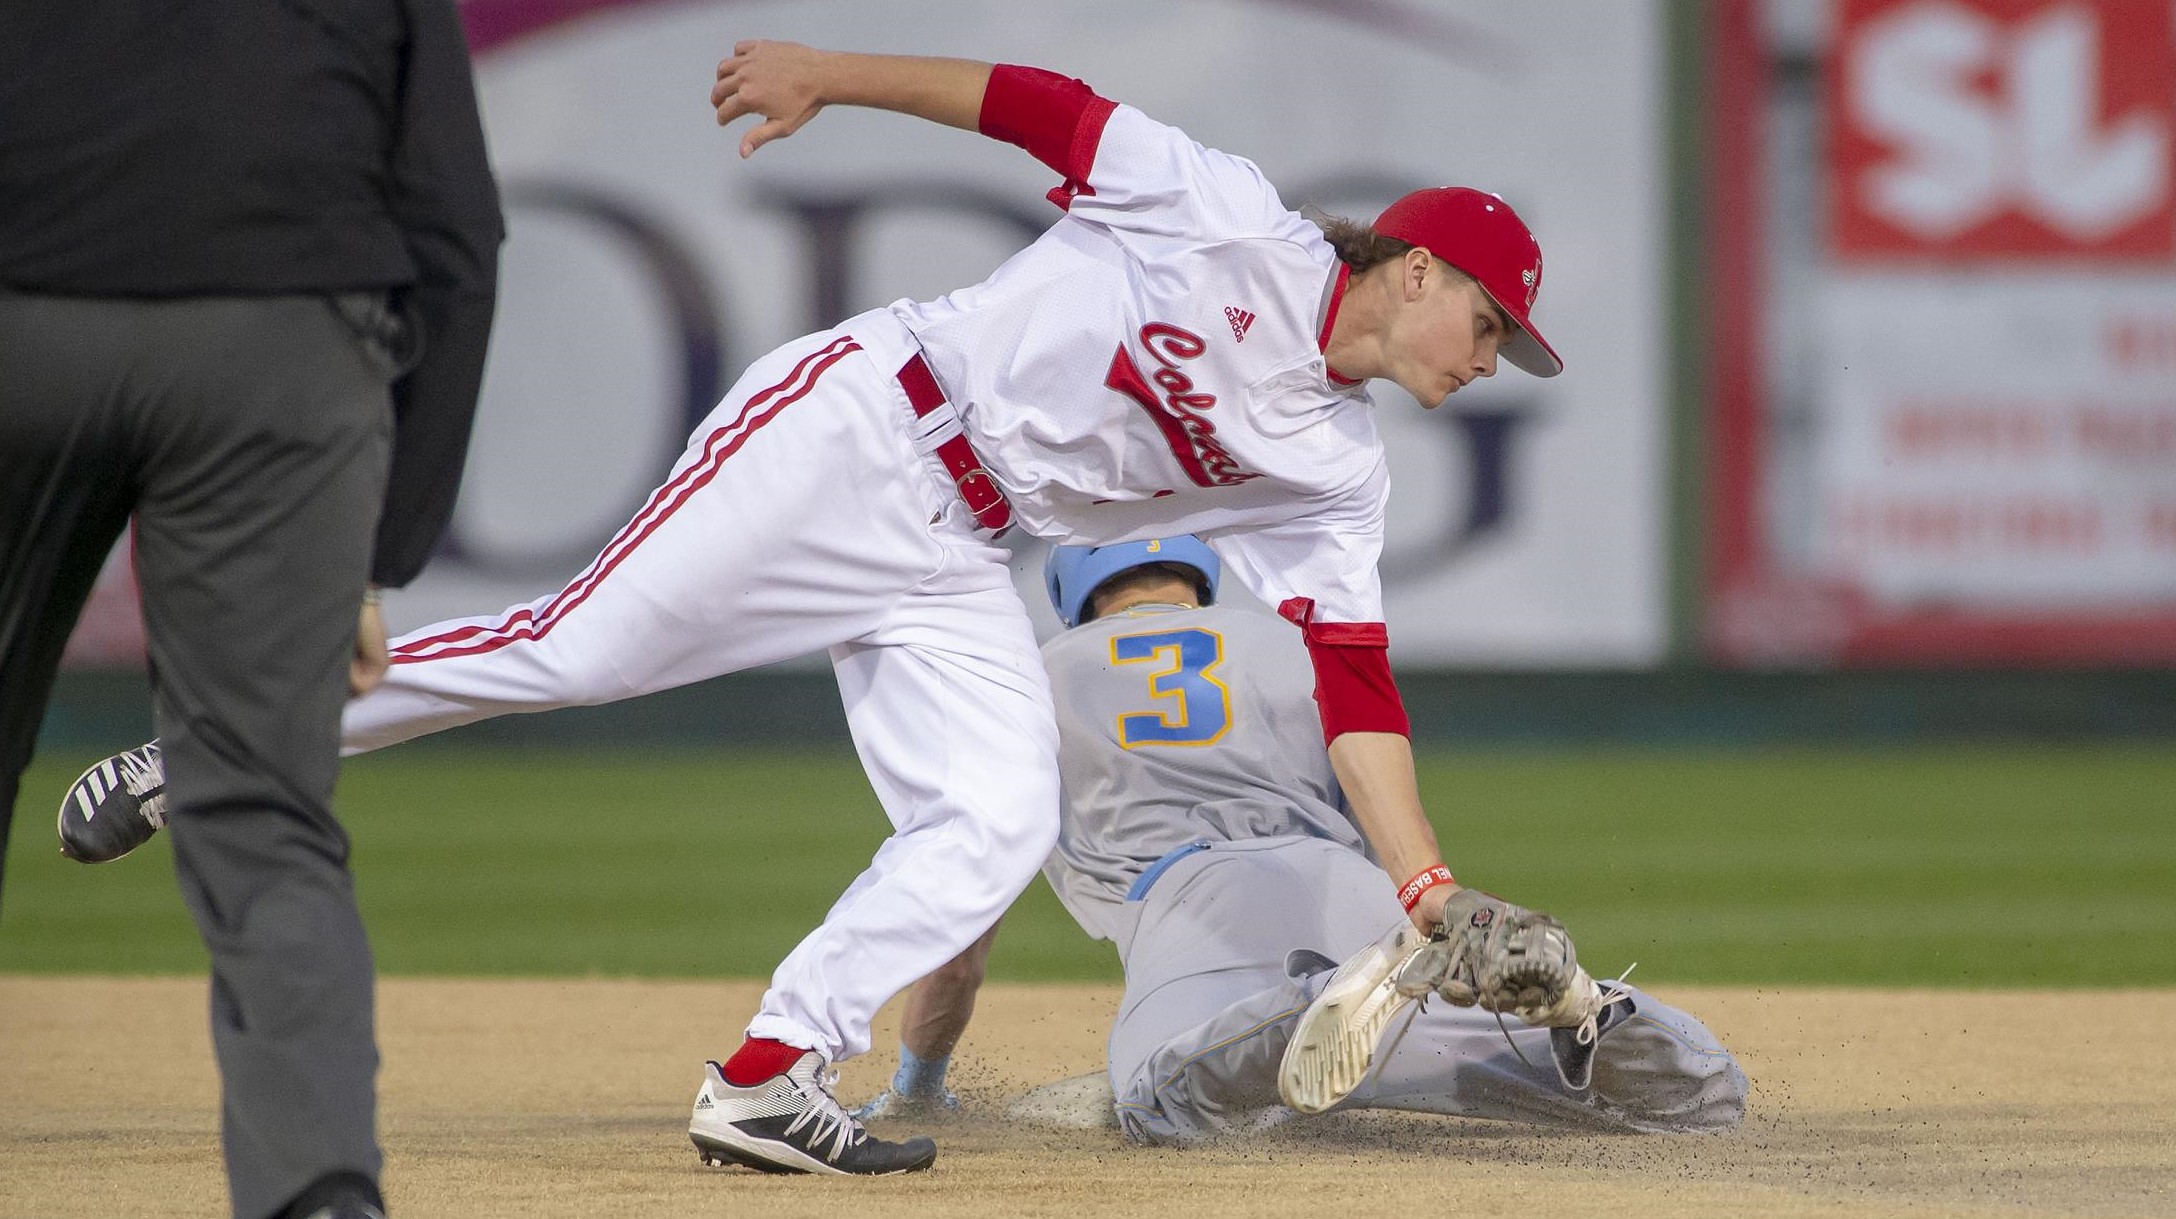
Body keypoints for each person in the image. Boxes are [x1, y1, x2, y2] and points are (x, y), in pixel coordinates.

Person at [58, 40, 1576, 1177]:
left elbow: (1355, 682)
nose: (1489, 355)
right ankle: (205, 751)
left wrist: (1428, 885)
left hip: (954, 546)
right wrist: (826, 78)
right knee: (578, 649)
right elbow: (1037, 104)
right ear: (1419, 265)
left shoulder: (1337, 470)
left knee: (996, 813)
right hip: (863, 425)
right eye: (1490, 321)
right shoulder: (1229, 217)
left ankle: (769, 1070)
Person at [0, 3, 502, 1218]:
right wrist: (374, 560)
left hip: (20, 301)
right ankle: (318, 1196)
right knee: (262, 815)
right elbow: (458, 229)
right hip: (278, 344)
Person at [858, 539, 1750, 1142]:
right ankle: (1584, 1009)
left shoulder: (1023, 681)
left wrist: (918, 1082)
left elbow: (962, 936)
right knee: (1704, 1101)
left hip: (1195, 909)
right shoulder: (1290, 644)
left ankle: (1313, 999)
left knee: (1155, 1100)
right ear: (1198, 572)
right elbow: (1375, 795)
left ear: (1070, 588)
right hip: (1361, 901)